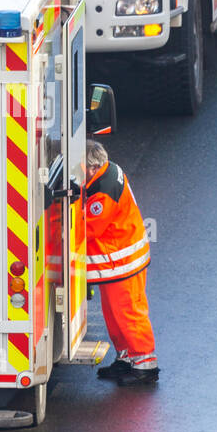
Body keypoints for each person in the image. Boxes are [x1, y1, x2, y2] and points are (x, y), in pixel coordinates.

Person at [84, 139, 159, 385]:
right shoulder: (110, 170)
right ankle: (127, 359)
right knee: (114, 314)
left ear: (92, 167)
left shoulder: (103, 193)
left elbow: (89, 229)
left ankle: (145, 366)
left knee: (129, 314)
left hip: (122, 263)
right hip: (118, 263)